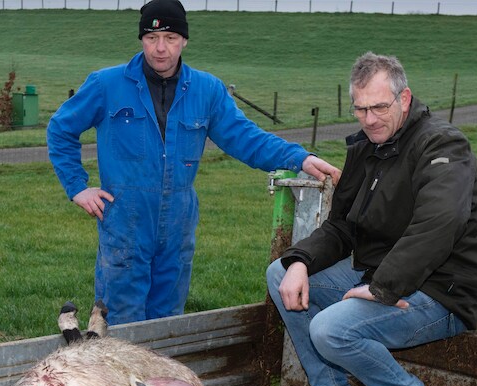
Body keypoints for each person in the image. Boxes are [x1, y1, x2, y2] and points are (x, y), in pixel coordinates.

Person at [47, 0, 340, 325]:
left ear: (184, 40)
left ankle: (159, 375)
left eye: (170, 38)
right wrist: (78, 188)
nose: (160, 48)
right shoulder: (107, 85)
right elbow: (61, 128)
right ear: (141, 39)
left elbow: (246, 138)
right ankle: (119, 375)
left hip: (177, 221)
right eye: (151, 38)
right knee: (120, 318)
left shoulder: (206, 90)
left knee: (168, 319)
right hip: (125, 221)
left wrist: (300, 157)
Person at [267, 52, 477, 386]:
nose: (369, 119)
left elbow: (440, 222)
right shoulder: (365, 149)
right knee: (281, 273)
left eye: (379, 107)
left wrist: (384, 286)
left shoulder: (443, 146)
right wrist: (301, 260)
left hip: (441, 290)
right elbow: (342, 227)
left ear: (404, 99)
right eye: (360, 109)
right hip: (382, 274)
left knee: (330, 330)